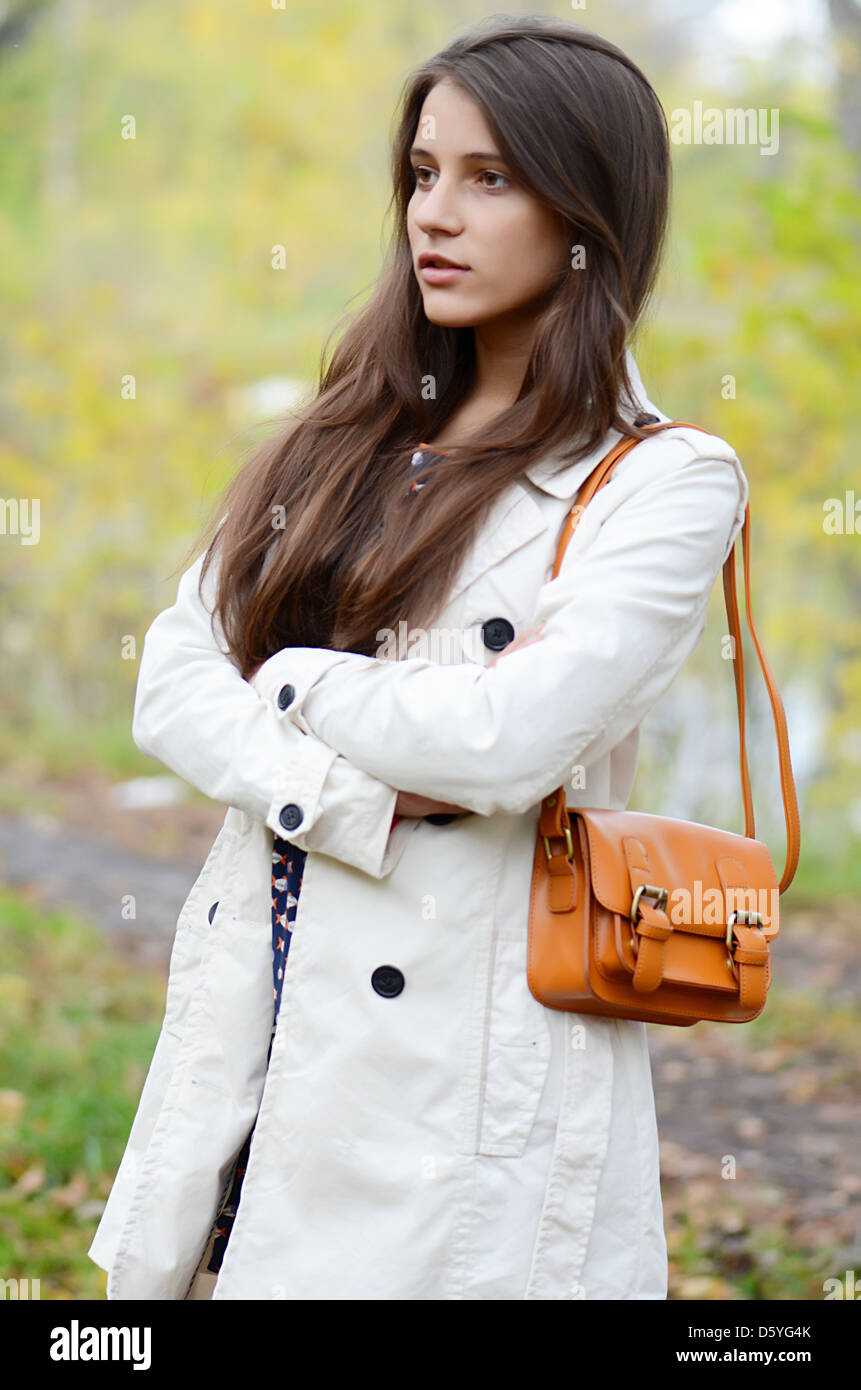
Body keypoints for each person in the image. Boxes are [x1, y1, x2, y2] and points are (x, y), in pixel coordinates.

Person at [88, 16, 748, 1300]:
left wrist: (285, 679)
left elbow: (506, 741)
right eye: (423, 173)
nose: (434, 215)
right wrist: (348, 796)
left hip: (462, 1074)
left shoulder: (659, 479)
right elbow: (172, 678)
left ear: (588, 213)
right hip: (259, 995)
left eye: (490, 179)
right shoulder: (338, 435)